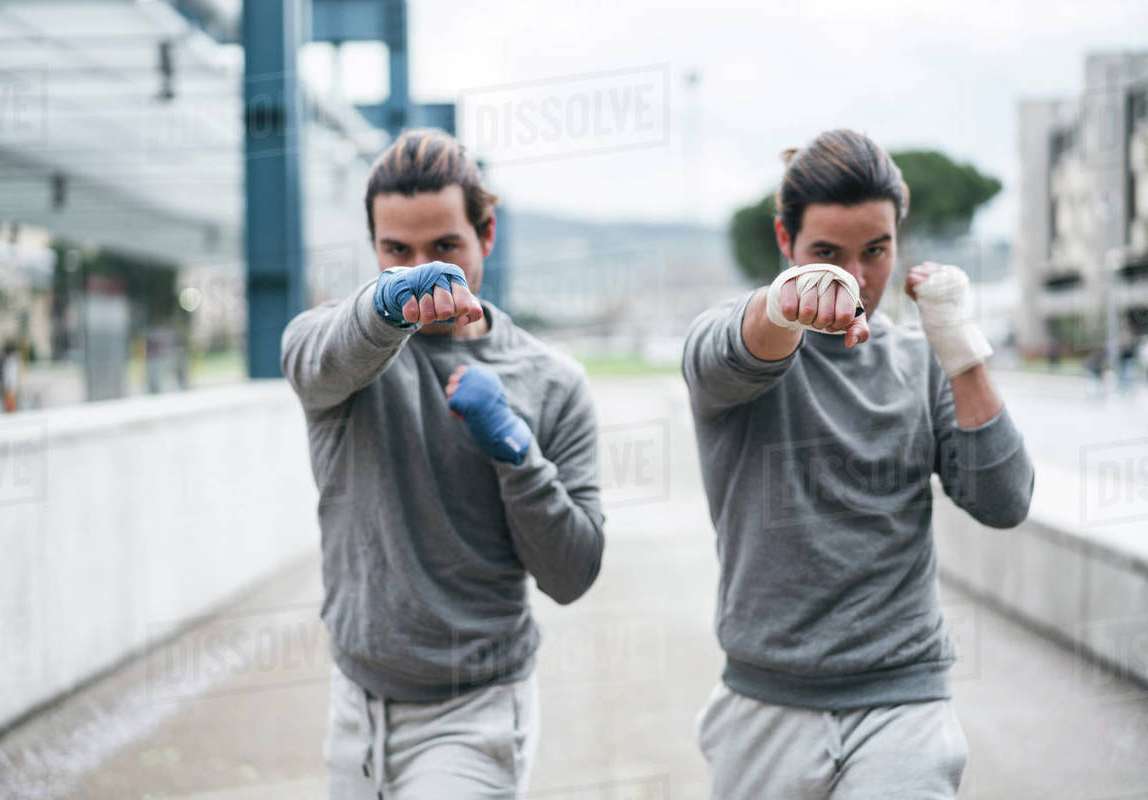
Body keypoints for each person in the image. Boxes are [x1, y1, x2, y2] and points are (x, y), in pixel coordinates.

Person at [682, 129, 1034, 799]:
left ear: (898, 242)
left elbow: (1006, 499)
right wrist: (786, 302)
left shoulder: (918, 361)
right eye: (826, 255)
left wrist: (961, 348)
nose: (856, 277)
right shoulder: (734, 339)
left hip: (904, 696)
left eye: (875, 251)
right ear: (785, 242)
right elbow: (730, 351)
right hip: (765, 698)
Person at [281, 128, 605, 799]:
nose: (419, 269)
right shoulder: (341, 351)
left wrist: (517, 453)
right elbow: (312, 360)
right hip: (357, 704)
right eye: (396, 252)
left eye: (444, 248)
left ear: (486, 236)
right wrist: (384, 306)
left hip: (476, 707)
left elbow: (572, 574)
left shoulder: (552, 382)